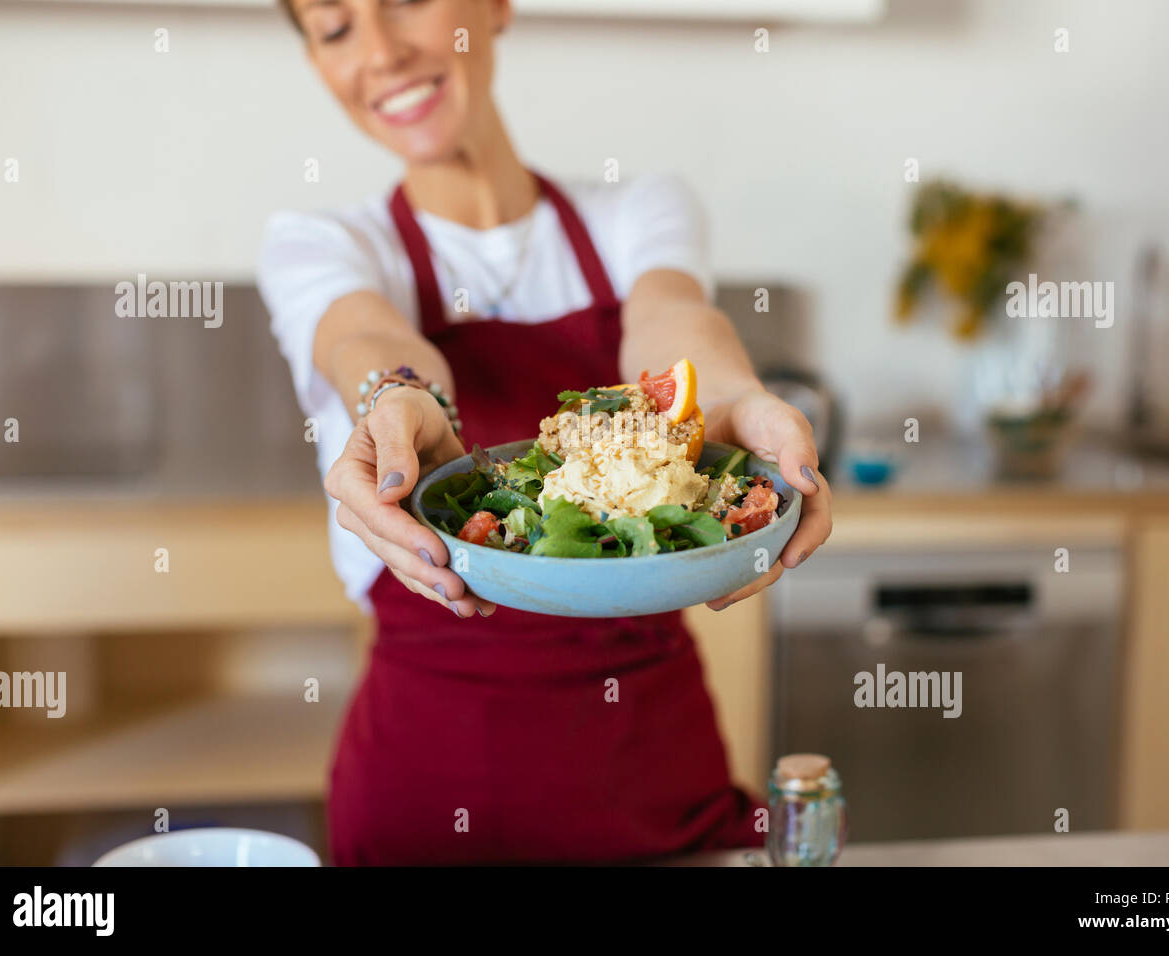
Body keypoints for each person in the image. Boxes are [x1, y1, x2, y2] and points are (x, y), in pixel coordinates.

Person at [257, 0, 833, 865]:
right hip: (429, 776)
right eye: (334, 28)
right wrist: (397, 399)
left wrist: (734, 396)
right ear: (317, 63)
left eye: (403, 2)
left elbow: (674, 325)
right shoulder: (322, 244)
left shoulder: (637, 209)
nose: (379, 52)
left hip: (650, 765)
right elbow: (368, 340)